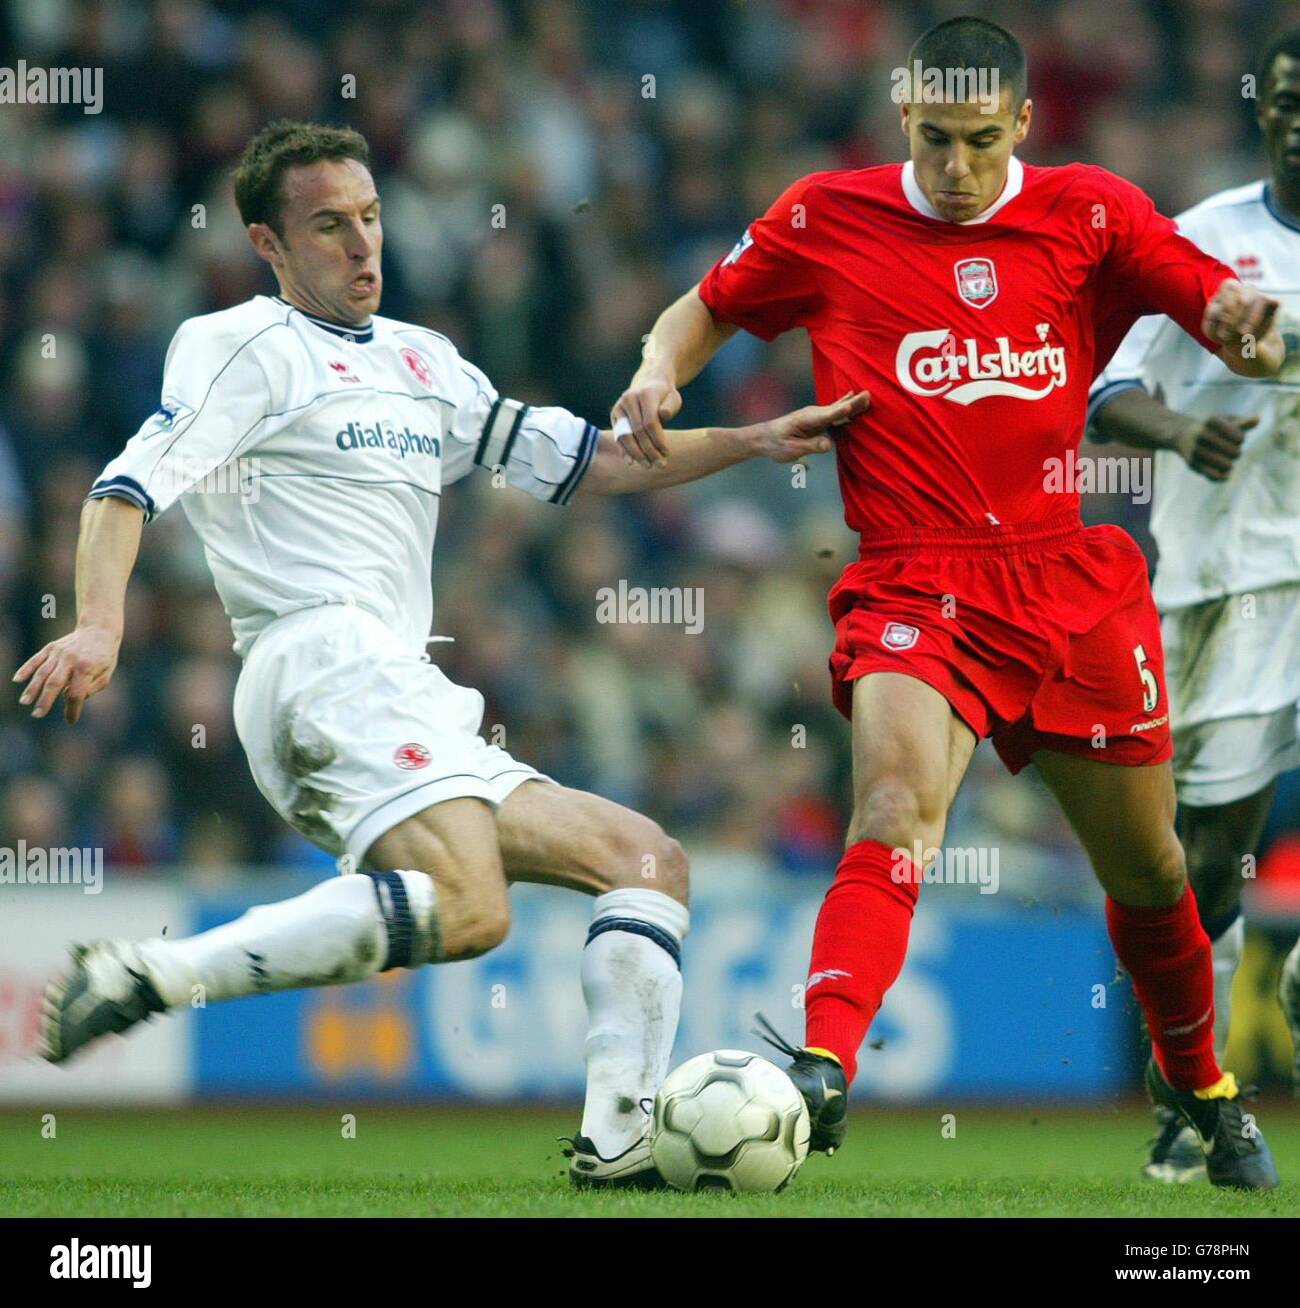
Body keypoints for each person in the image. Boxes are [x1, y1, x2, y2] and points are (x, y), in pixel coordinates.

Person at [16, 119, 866, 1189]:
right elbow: (124, 485)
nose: (362, 246)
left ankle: (618, 1145)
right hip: (315, 663)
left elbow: (592, 462)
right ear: (269, 245)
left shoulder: (429, 363)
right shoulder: (239, 344)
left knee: (644, 861)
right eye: (328, 227)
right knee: (470, 908)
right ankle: (148, 974)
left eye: (369, 218)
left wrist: (750, 440)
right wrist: (100, 622)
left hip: (402, 684)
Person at [614, 17, 1284, 1188]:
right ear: (901, 117)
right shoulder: (827, 216)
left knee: (1155, 877)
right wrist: (659, 365)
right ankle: (823, 1066)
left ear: (1023, 123)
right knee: (890, 809)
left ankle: (1201, 1085)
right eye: (933, 140)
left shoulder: (1090, 211)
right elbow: (703, 304)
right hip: (916, 578)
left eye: (980, 141)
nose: (957, 168)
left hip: (1066, 581)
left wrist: (1243, 325)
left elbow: (1220, 310)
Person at [1089, 26, 1300, 1183]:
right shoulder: (1206, 241)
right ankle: (1192, 1093)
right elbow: (1107, 390)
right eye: (1284, 95)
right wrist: (1184, 434)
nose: (1299, 111)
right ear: (1259, 108)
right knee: (1207, 855)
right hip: (1229, 585)